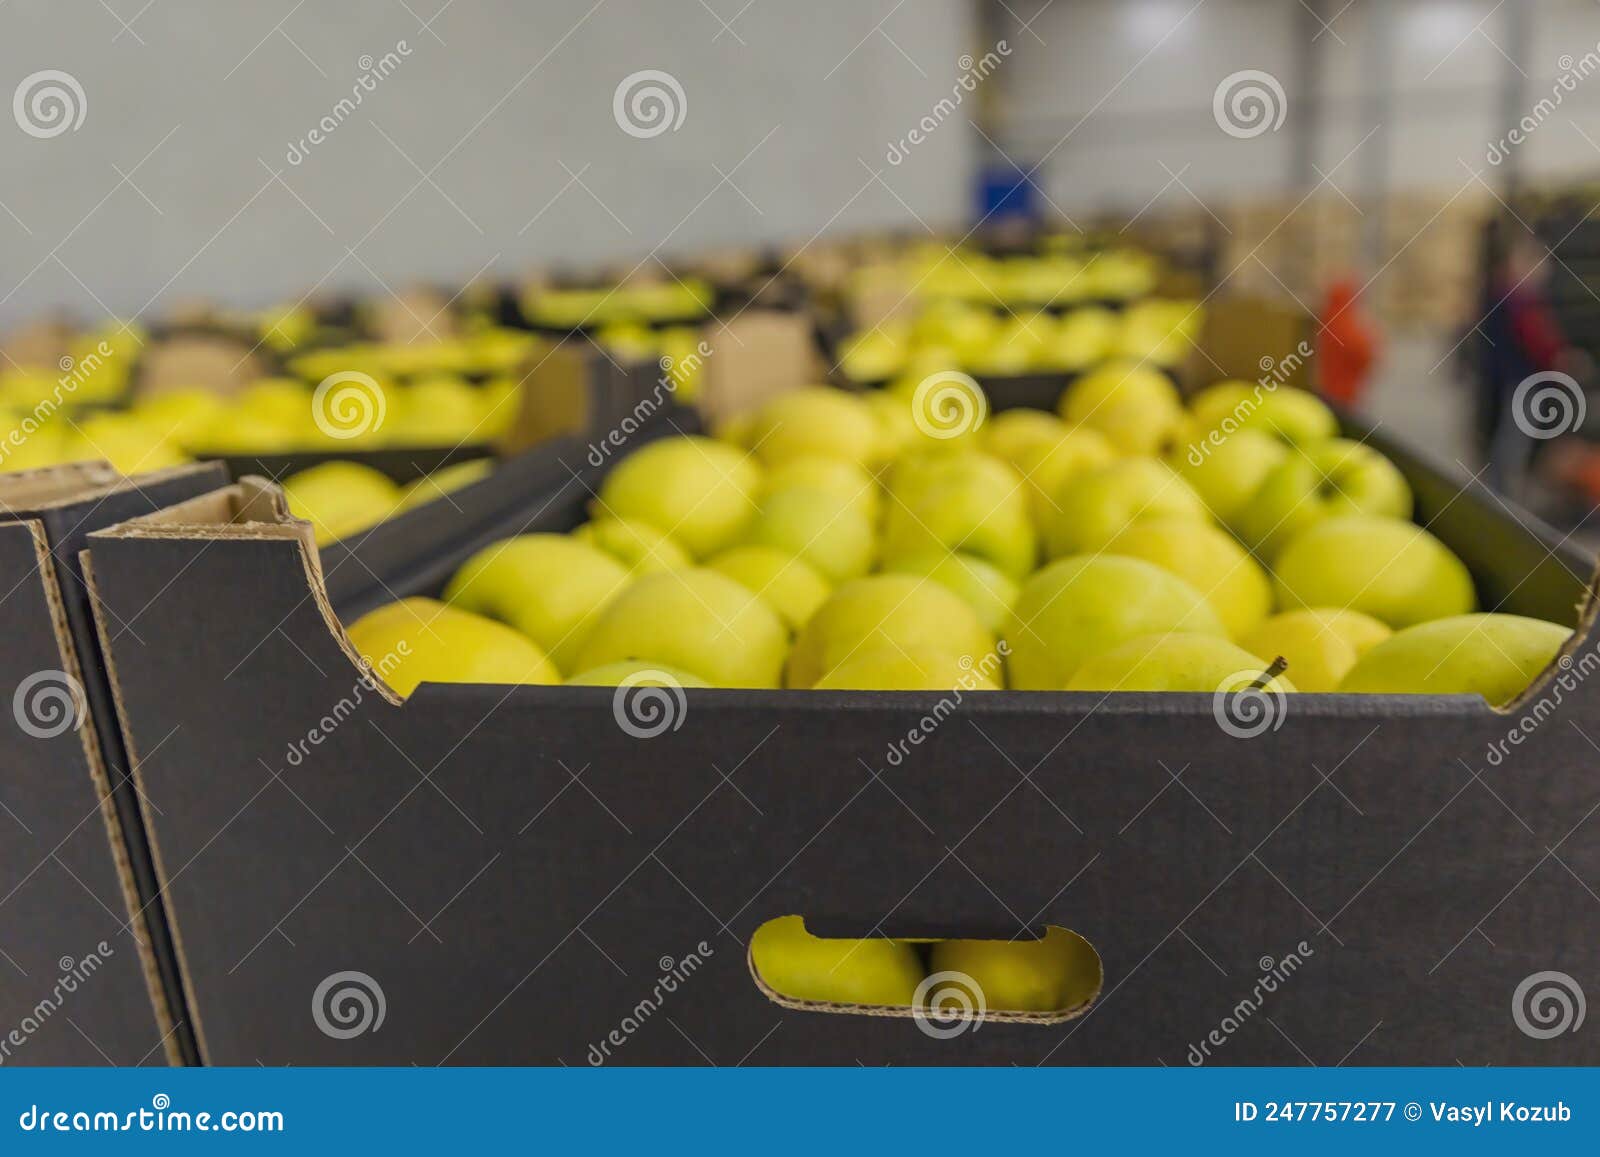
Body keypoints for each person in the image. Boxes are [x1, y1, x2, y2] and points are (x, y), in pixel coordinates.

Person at [1316, 276, 1379, 410]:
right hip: (1345, 393)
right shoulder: (1347, 325)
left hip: (1324, 388)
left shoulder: (1325, 320)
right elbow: (1364, 355)